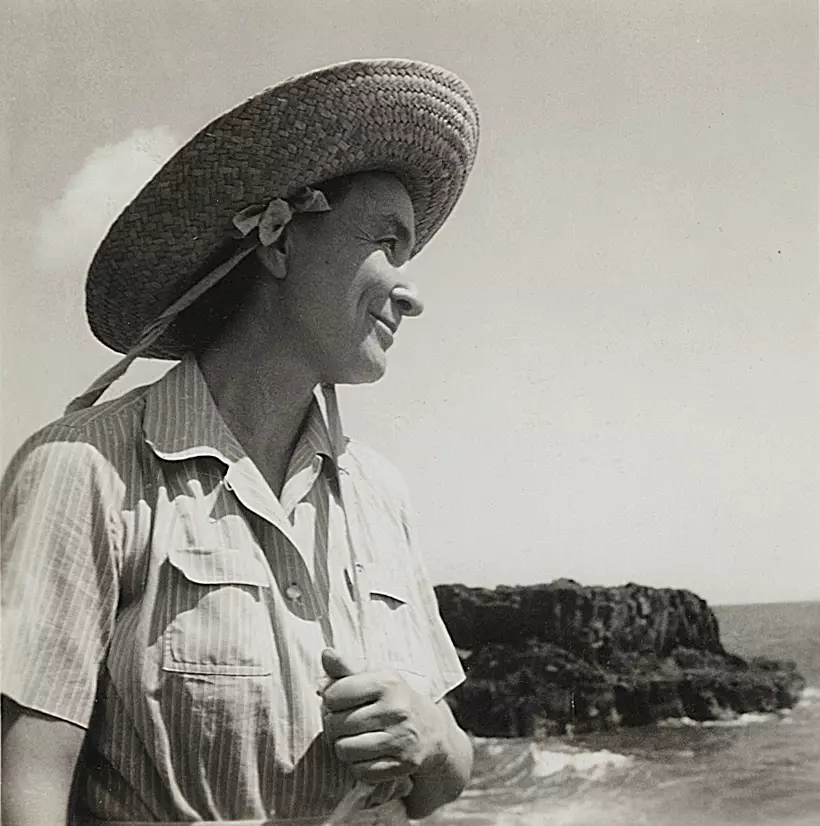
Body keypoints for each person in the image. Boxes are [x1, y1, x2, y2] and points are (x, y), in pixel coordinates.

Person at [1, 59, 479, 825]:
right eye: (388, 243)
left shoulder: (378, 494)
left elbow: (446, 777)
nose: (410, 290)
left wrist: (431, 739)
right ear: (280, 240)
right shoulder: (84, 471)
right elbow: (22, 794)